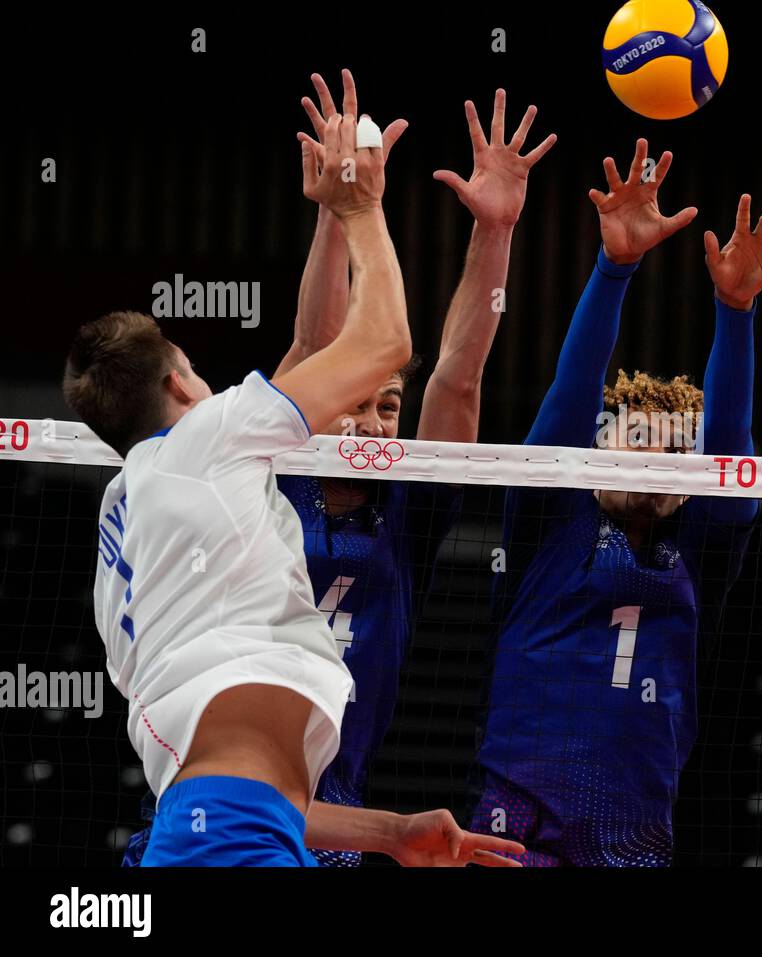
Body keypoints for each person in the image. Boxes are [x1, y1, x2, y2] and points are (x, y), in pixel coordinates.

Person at [67, 72, 518, 866]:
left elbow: (450, 378)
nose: (368, 416)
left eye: (388, 406)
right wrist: (348, 210)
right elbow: (337, 347)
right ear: (180, 385)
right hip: (240, 814)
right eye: (354, 401)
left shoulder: (130, 515)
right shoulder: (249, 463)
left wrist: (494, 232)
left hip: (284, 813)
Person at [470, 138, 762, 865]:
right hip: (515, 815)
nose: (652, 452)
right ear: (590, 454)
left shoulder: (704, 551)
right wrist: (615, 265)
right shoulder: (551, 523)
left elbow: (730, 443)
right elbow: (572, 390)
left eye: (673, 447)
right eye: (633, 437)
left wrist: (735, 309)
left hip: (636, 832)